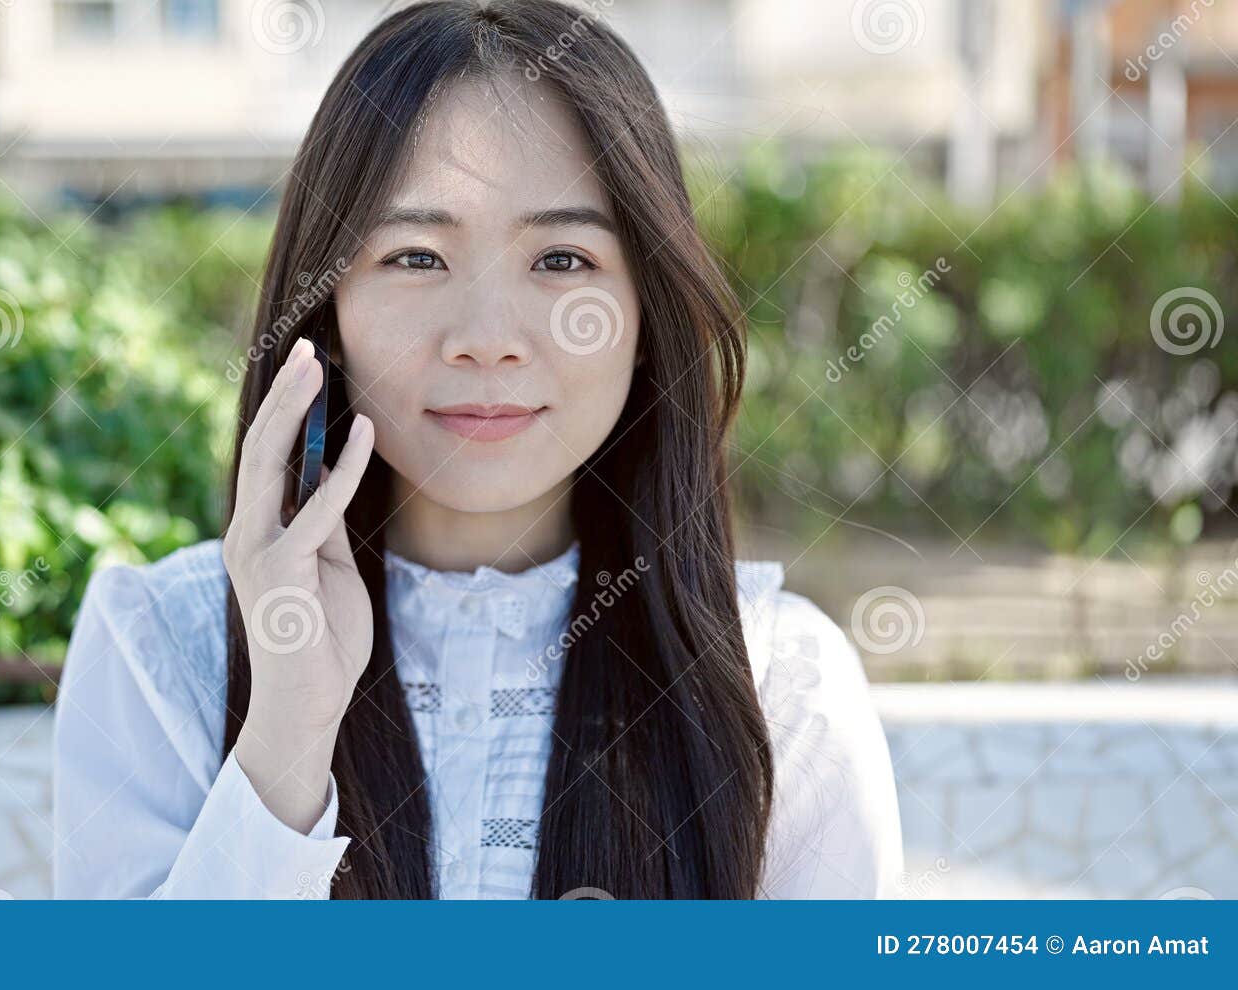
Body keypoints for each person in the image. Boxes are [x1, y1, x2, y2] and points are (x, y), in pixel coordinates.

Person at [53, 0, 902, 899]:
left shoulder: (780, 682)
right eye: (416, 257)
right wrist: (285, 741)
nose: (487, 338)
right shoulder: (159, 650)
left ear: (648, 313)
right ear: (325, 314)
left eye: (562, 260)